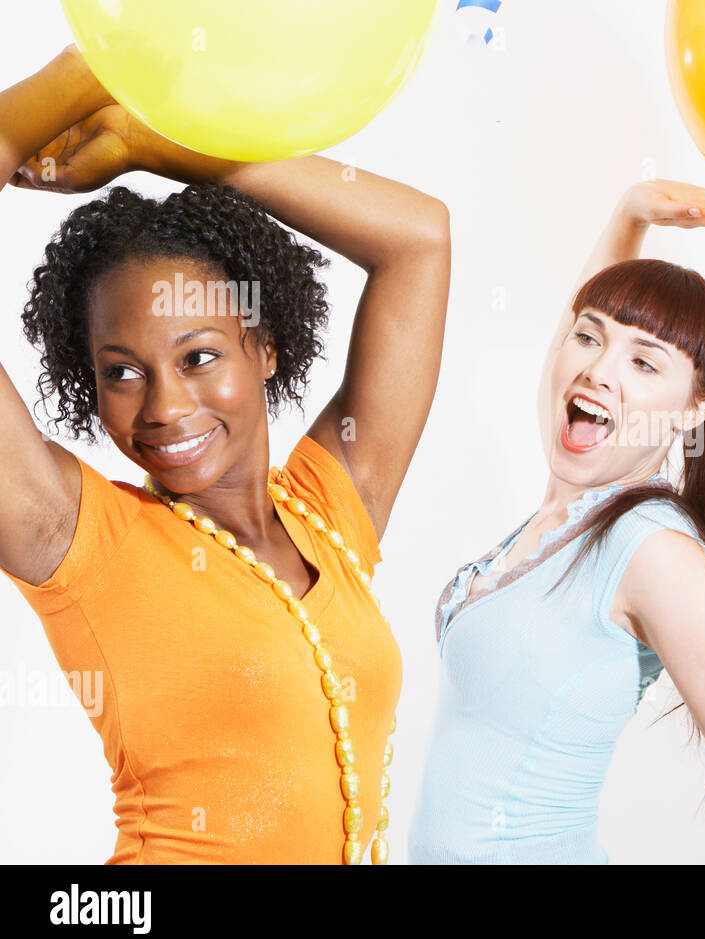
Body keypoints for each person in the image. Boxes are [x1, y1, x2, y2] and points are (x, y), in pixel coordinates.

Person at [0, 47, 451, 863]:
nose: (166, 407)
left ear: (266, 346)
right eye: (122, 373)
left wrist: (163, 142)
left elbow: (420, 238)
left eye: (199, 357)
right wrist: (91, 68)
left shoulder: (332, 507)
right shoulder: (76, 534)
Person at [409, 179, 705, 864]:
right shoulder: (566, 515)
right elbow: (582, 342)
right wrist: (629, 215)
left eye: (643, 362)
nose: (599, 370)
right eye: (588, 340)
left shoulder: (650, 548)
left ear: (694, 410)